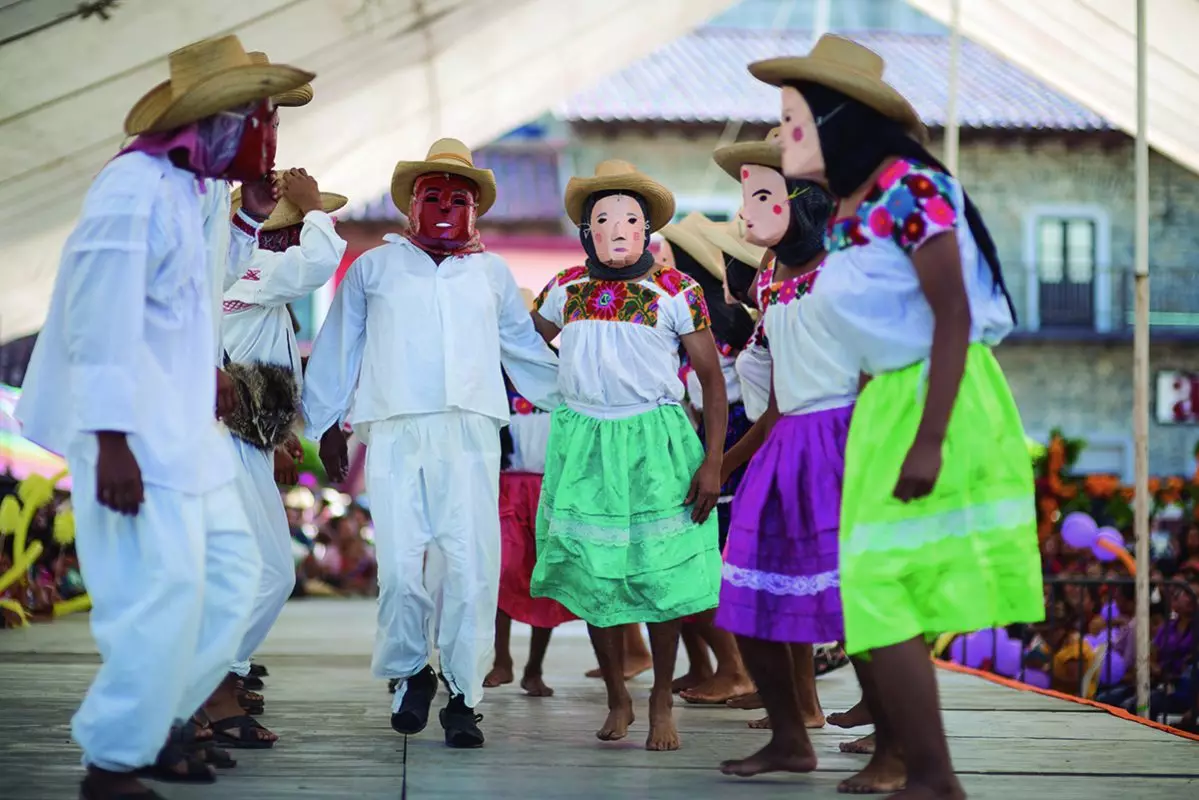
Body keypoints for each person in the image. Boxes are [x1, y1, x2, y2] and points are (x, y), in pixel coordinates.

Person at [15, 35, 313, 800]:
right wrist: (111, 440)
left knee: (232, 576)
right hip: (130, 431)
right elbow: (98, 316)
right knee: (161, 591)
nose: (271, 136)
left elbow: (186, 297)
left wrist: (206, 362)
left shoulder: (193, 191)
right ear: (217, 120)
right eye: (263, 118)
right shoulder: (133, 189)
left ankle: (158, 723)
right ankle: (114, 760)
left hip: (182, 424)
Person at [757, 34, 1043, 798]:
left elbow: (950, 316)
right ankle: (929, 774)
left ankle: (930, 774)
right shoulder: (850, 213)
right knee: (873, 590)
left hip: (938, 396)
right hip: (883, 400)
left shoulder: (909, 188)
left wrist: (928, 441)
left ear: (837, 121)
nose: (781, 135)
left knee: (885, 585)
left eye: (791, 121)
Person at [302, 138, 560, 749]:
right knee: (400, 568)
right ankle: (411, 670)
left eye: (460, 197)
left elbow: (525, 353)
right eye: (434, 195)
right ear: (410, 206)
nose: (446, 206)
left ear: (477, 210)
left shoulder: (493, 274)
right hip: (394, 430)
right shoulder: (374, 267)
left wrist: (582, 401)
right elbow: (339, 347)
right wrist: (327, 425)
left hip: (470, 432)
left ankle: (464, 699)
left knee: (470, 567)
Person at [528, 160, 725, 751]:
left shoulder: (676, 290)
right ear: (587, 230)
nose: (619, 228)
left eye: (631, 219)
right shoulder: (564, 288)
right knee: (596, 573)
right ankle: (619, 696)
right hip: (585, 445)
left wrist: (712, 460)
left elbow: (713, 382)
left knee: (659, 573)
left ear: (647, 229)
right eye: (604, 218)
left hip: (656, 445)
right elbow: (516, 349)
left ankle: (662, 695)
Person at [700, 138, 855, 781]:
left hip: (842, 434)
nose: (746, 214)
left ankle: (899, 744)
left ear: (806, 199)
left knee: (856, 600)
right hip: (783, 441)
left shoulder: (848, 268)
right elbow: (771, 396)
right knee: (749, 595)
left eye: (761, 196)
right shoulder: (768, 276)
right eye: (746, 198)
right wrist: (725, 463)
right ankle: (791, 736)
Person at [219, 167, 348, 737]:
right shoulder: (252, 269)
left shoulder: (256, 285)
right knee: (265, 573)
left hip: (241, 439)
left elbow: (251, 362)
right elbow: (319, 265)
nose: (299, 236)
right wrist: (315, 206)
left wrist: (278, 432)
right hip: (223, 446)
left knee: (258, 572)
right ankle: (214, 680)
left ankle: (224, 676)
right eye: (294, 228)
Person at [659, 213, 756, 705]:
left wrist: (720, 457)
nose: (660, 261)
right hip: (705, 443)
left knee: (706, 564)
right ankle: (706, 664)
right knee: (693, 562)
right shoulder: (689, 320)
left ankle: (735, 668)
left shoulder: (726, 325)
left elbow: (724, 391)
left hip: (732, 445)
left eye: (668, 255)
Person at [486, 343, 577, 697]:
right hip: (505, 486)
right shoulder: (492, 379)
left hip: (550, 487)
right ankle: (501, 659)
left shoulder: (559, 378)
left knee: (547, 576)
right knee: (502, 570)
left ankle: (534, 669)